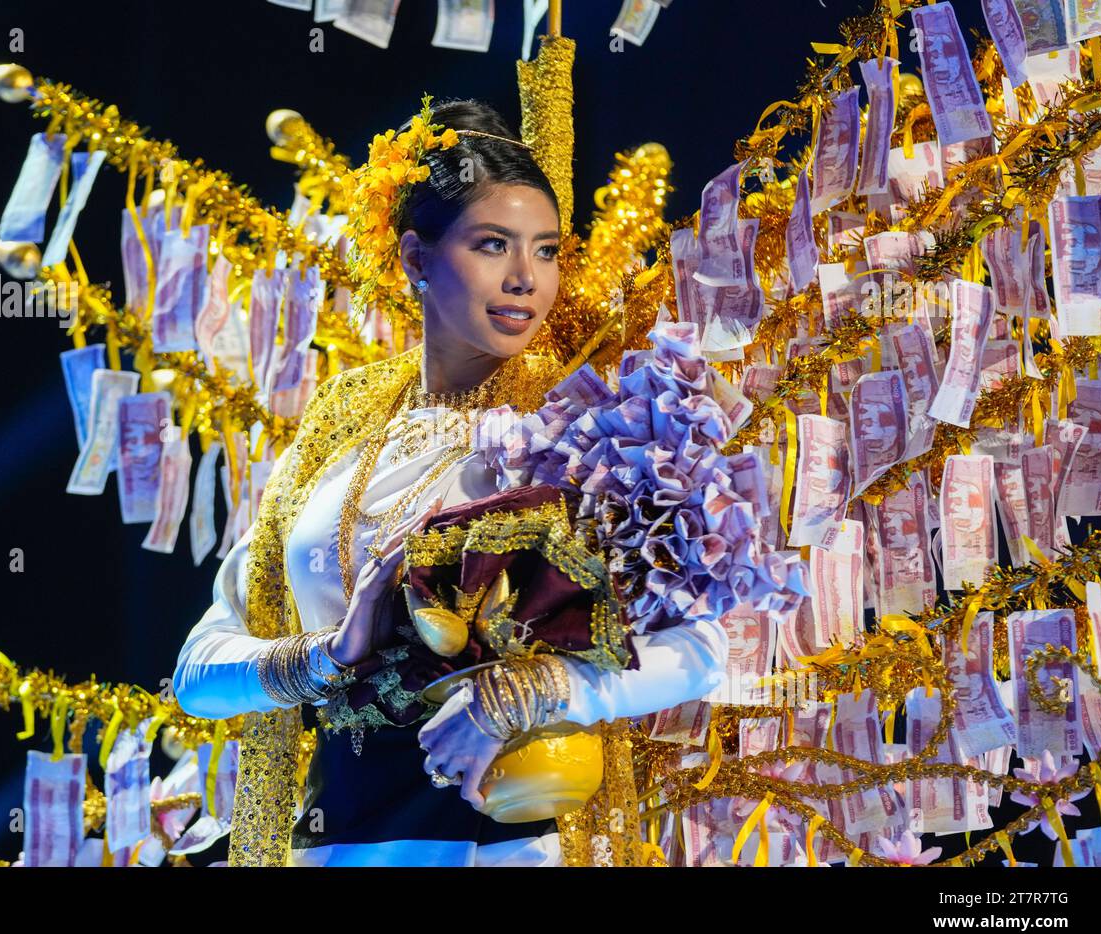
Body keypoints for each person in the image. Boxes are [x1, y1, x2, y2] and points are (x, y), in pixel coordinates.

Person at [172, 99, 727, 867]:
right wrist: (327, 656)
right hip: (337, 846)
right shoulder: (342, 418)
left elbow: (703, 648)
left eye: (546, 250)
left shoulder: (586, 420)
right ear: (415, 257)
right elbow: (197, 675)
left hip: (514, 846)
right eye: (493, 245)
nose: (525, 279)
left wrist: (529, 693)